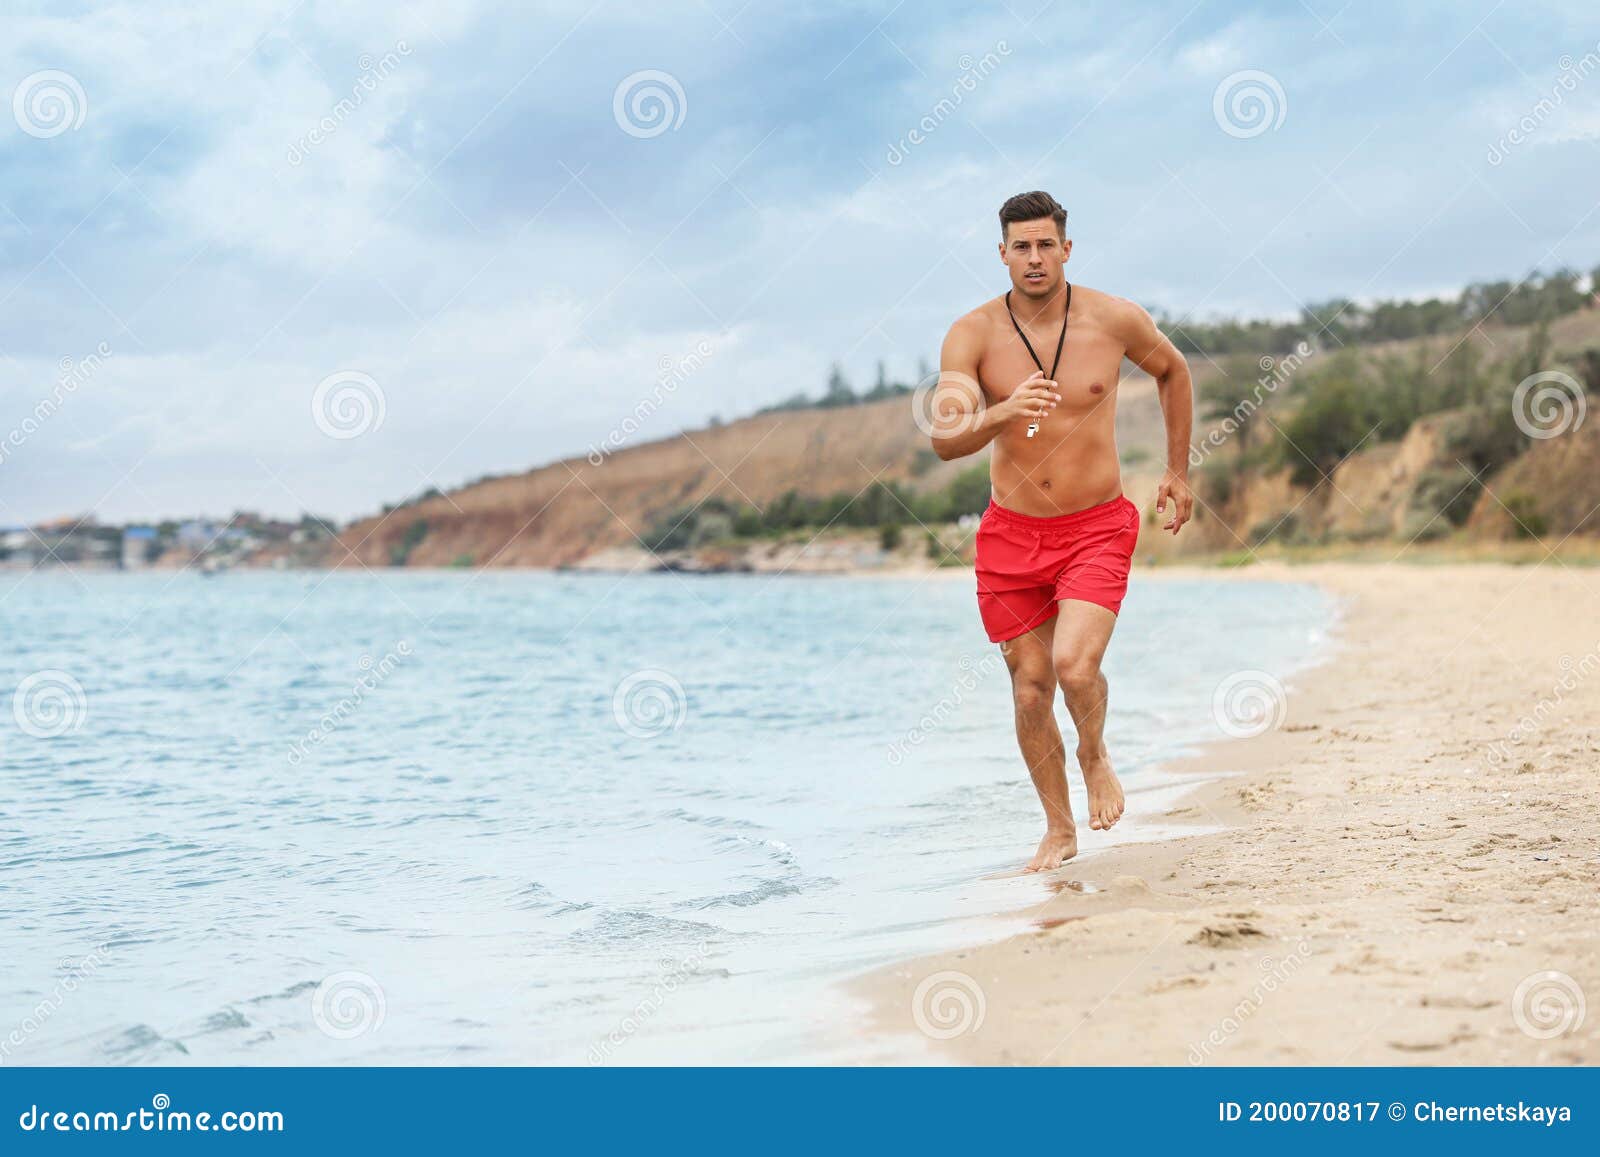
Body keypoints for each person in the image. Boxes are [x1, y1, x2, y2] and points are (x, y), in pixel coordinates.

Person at [930, 190, 1193, 871]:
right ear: (1003, 254)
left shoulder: (1113, 319)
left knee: (1076, 666)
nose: (1036, 257)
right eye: (1022, 246)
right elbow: (945, 438)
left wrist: (1177, 469)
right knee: (1029, 686)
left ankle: (1095, 752)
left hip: (1096, 527)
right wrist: (1003, 410)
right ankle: (1059, 827)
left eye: (1047, 244)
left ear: (1067, 248)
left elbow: (1173, 370)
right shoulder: (973, 335)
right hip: (1012, 535)